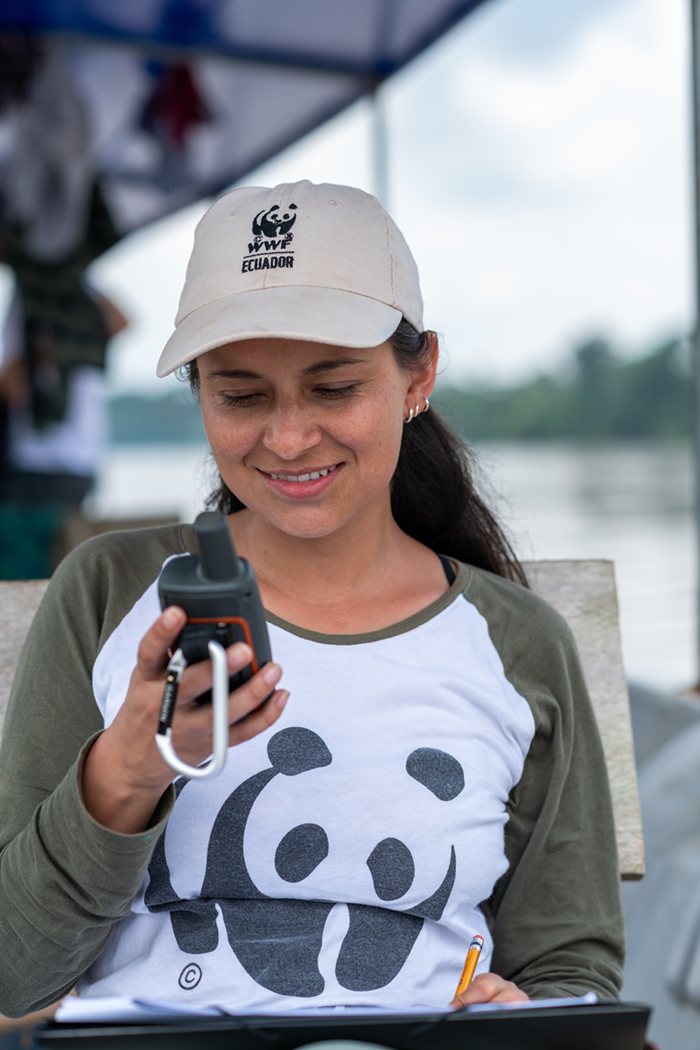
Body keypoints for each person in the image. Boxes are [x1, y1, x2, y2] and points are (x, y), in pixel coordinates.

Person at [0, 181, 624, 1018]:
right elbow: (13, 974)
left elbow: (569, 969)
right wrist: (126, 772)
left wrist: (525, 1018)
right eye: (241, 394)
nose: (289, 439)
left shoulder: (519, 644)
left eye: (333, 389)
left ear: (419, 373)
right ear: (198, 392)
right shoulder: (109, 593)